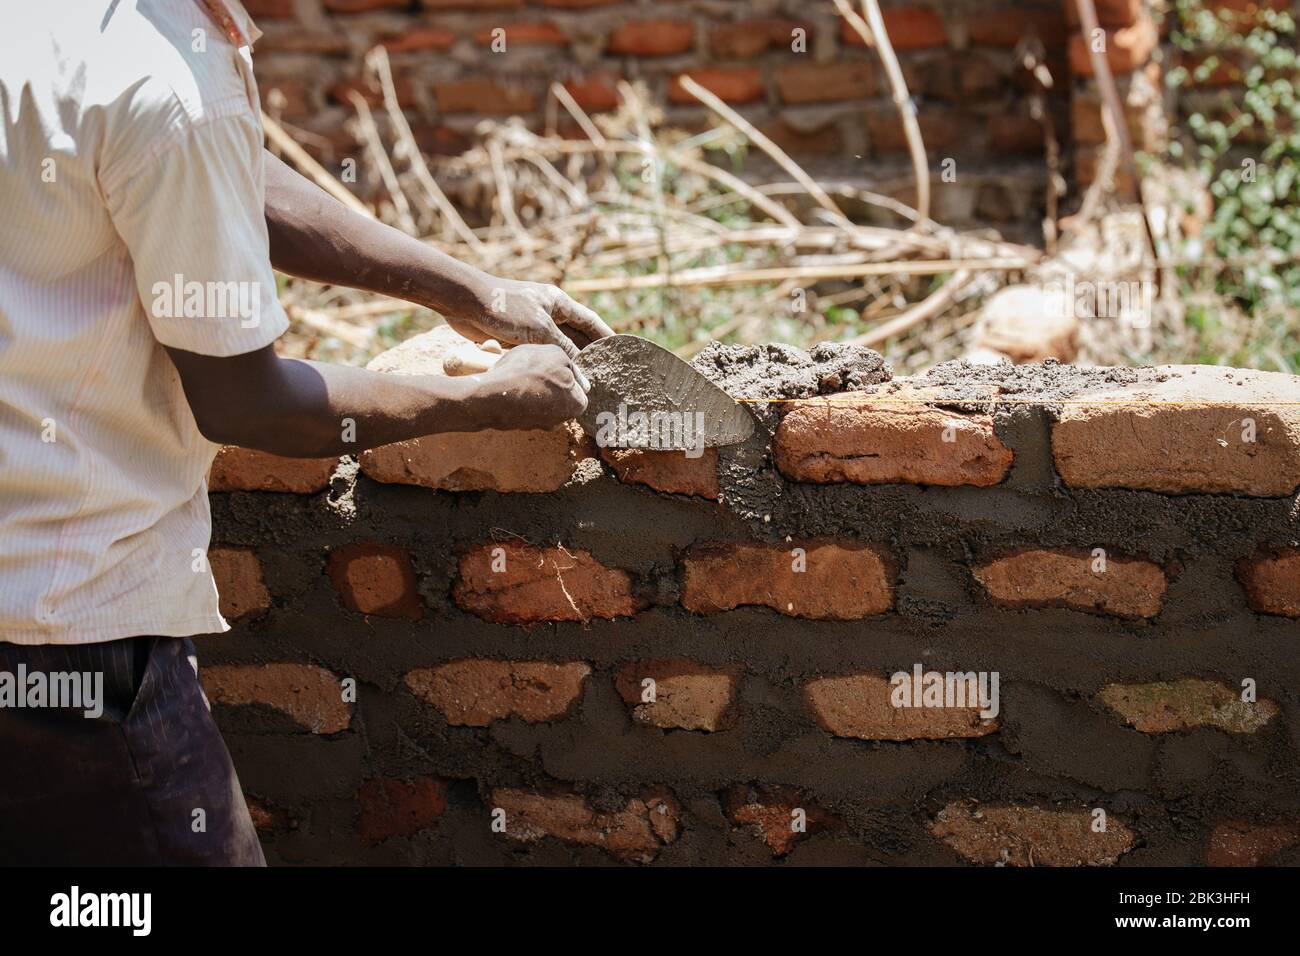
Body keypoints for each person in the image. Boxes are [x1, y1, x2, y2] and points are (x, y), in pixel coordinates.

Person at [0, 0, 611, 865]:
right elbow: (249, 404)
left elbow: (218, 173)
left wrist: (470, 289)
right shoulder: (167, 79)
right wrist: (485, 401)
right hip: (69, 642)